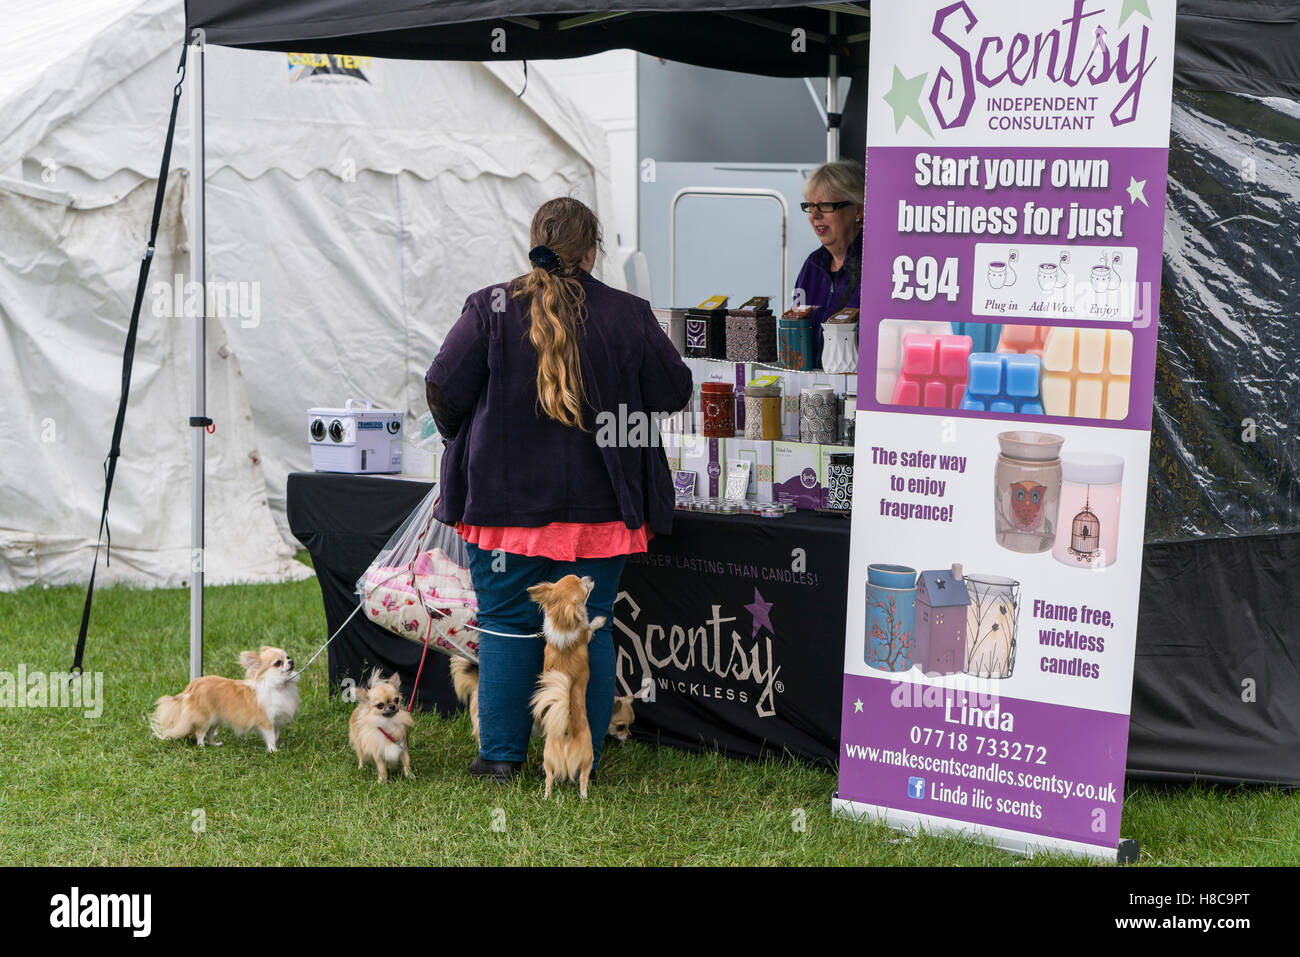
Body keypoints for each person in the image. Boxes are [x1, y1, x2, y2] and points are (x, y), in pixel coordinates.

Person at [424, 196, 692, 783]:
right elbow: (675, 391)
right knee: (589, 628)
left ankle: (500, 759)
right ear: (592, 251)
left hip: (504, 511)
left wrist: (461, 436)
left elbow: (442, 386)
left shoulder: (490, 308)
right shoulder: (628, 313)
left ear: (534, 240)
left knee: (504, 628)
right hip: (604, 513)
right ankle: (580, 763)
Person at [793, 159, 865, 367]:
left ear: (858, 210)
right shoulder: (812, 266)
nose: (815, 215)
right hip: (811, 389)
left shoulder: (876, 265)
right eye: (810, 205)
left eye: (825, 205)